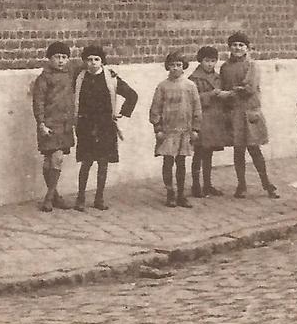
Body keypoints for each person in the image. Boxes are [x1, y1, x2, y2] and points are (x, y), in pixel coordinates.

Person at [72, 44, 138, 212]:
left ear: (102, 62)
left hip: (105, 126)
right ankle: (80, 198)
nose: (93, 63)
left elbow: (132, 95)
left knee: (103, 163)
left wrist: (122, 113)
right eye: (89, 60)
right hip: (86, 125)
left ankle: (99, 198)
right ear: (84, 62)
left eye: (96, 59)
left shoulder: (111, 78)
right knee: (86, 163)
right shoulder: (78, 78)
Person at [218, 32, 278, 199]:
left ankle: (267, 183)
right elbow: (221, 87)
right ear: (229, 47)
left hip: (250, 111)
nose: (237, 48)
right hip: (234, 112)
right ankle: (241, 185)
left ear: (247, 48)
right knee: (238, 151)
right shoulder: (225, 67)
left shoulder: (252, 66)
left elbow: (249, 88)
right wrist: (227, 100)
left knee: (254, 149)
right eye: (234, 45)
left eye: (241, 45)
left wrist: (230, 93)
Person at [149, 50, 202, 208]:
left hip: (184, 130)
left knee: (181, 162)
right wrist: (157, 128)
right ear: (167, 67)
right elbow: (155, 109)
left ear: (184, 67)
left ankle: (181, 194)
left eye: (178, 65)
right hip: (168, 131)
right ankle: (170, 192)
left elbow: (197, 108)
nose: (175, 68)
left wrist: (195, 129)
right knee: (168, 161)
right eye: (172, 65)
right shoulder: (162, 86)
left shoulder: (190, 86)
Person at [29, 41, 77, 212]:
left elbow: (89, 65)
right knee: (48, 161)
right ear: (49, 58)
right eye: (57, 57)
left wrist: (111, 72)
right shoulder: (44, 78)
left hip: (64, 124)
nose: (61, 61)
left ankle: (50, 198)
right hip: (49, 124)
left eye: (64, 57)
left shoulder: (71, 72)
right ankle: (54, 196)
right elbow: (38, 101)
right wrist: (41, 122)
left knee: (57, 158)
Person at [189, 45, 229, 199]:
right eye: (207, 61)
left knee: (209, 153)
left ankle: (207, 184)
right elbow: (194, 99)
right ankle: (195, 185)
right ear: (200, 61)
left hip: (214, 119)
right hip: (202, 119)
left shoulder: (218, 78)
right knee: (199, 153)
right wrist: (211, 95)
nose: (210, 64)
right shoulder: (194, 79)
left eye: (213, 61)